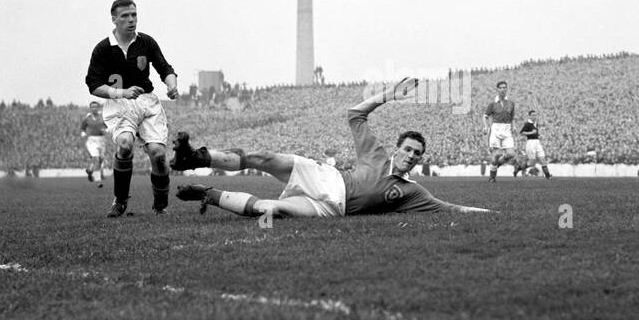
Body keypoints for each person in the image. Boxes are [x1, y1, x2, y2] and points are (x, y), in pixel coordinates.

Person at [170, 77, 492, 218]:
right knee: (263, 158)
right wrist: (389, 95)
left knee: (271, 209)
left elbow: (449, 209)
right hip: (326, 180)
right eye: (408, 149)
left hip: (332, 211)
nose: (411, 156)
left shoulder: (411, 192)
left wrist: (489, 213)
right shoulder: (376, 154)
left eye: (417, 154)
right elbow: (355, 113)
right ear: (397, 149)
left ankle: (206, 194)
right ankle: (195, 157)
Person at [85, 0, 179, 216]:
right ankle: (120, 201)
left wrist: (172, 85)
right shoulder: (103, 49)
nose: (131, 20)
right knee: (125, 144)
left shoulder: (146, 42)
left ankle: (160, 205)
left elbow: (165, 68)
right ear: (114, 19)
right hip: (119, 104)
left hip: (146, 102)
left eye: (134, 14)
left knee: (157, 155)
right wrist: (121, 92)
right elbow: (93, 84)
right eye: (125, 16)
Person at [483, 79, 516, 181]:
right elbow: (485, 116)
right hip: (496, 129)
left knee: (511, 154)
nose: (502, 89)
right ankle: (492, 177)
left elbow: (512, 117)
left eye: (504, 88)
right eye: (500, 88)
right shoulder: (492, 104)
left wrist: (514, 126)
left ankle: (495, 166)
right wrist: (486, 126)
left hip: (507, 130)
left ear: (506, 89)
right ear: (497, 89)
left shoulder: (511, 103)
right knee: (496, 154)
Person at [79, 100, 108, 187]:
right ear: (90, 108)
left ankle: (90, 170)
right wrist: (83, 132)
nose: (94, 108)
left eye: (95, 107)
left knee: (101, 160)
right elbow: (82, 127)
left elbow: (109, 126)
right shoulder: (87, 118)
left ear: (98, 108)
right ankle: (98, 181)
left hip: (102, 140)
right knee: (96, 158)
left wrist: (106, 130)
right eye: (92, 107)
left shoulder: (103, 117)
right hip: (92, 140)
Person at [518, 110, 553, 178]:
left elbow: (535, 132)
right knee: (532, 163)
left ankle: (548, 176)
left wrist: (537, 134)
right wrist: (531, 133)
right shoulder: (527, 124)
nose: (534, 116)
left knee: (543, 159)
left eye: (535, 115)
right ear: (530, 116)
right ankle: (518, 168)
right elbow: (521, 132)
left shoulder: (536, 123)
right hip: (530, 143)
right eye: (533, 115)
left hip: (537, 142)